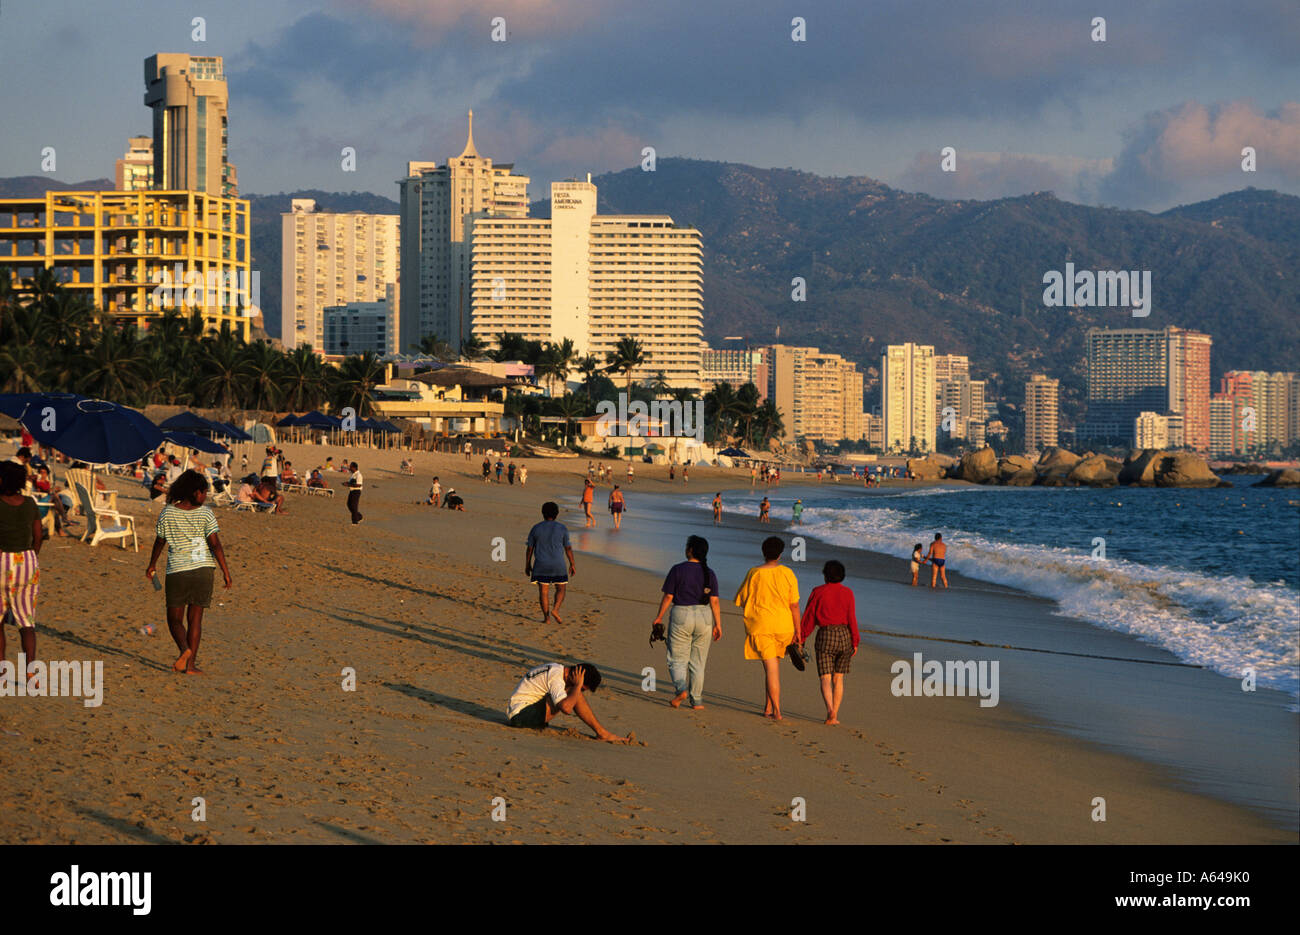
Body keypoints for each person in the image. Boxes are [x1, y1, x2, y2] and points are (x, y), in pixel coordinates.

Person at [144, 470, 232, 675]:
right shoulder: (206, 513)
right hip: (204, 571)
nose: (205, 496)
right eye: (203, 492)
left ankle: (185, 651)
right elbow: (215, 545)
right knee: (195, 620)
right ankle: (190, 666)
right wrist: (225, 571)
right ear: (193, 492)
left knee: (174, 619)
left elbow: (160, 541)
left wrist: (152, 564)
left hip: (178, 571)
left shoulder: (168, 512)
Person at [651, 535, 721, 710]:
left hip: (682, 614)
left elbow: (668, 596)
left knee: (677, 659)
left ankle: (681, 689)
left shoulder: (678, 569)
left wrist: (658, 617)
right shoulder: (709, 573)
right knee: (698, 662)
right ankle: (696, 700)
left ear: (690, 550)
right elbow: (715, 601)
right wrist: (718, 625)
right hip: (705, 617)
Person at [734, 536, 801, 721]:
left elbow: (742, 600)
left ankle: (777, 710)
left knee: (771, 668)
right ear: (780, 554)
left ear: (763, 553)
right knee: (773, 667)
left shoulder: (754, 573)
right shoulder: (788, 573)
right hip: (784, 626)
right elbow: (794, 605)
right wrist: (799, 630)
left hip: (762, 625)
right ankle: (768, 707)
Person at [506, 662, 630, 743]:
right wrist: (577, 686)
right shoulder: (556, 678)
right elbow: (566, 708)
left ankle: (602, 733)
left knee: (573, 693)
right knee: (574, 694)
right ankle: (602, 733)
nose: (582, 690)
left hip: (521, 711)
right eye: (583, 688)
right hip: (521, 716)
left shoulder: (557, 668)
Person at [798, 560, 859, 725]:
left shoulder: (818, 591)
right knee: (838, 678)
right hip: (845, 635)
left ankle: (830, 710)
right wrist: (855, 641)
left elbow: (809, 618)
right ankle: (835, 714)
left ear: (825, 575)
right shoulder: (848, 592)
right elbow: (852, 618)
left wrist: (801, 638)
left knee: (825, 677)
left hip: (825, 635)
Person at [0, 460, 43, 682]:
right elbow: (38, 536)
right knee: (26, 622)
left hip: (2, 561)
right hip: (27, 561)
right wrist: (31, 557)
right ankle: (30, 673)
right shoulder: (30, 503)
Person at [525, 501, 575, 625]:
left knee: (543, 591)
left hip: (541, 564)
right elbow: (567, 548)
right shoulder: (562, 528)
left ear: (543, 513)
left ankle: (546, 618)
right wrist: (572, 563)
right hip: (558, 564)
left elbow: (530, 548)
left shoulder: (536, 528)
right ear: (557, 514)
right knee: (561, 588)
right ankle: (556, 610)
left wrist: (527, 564)